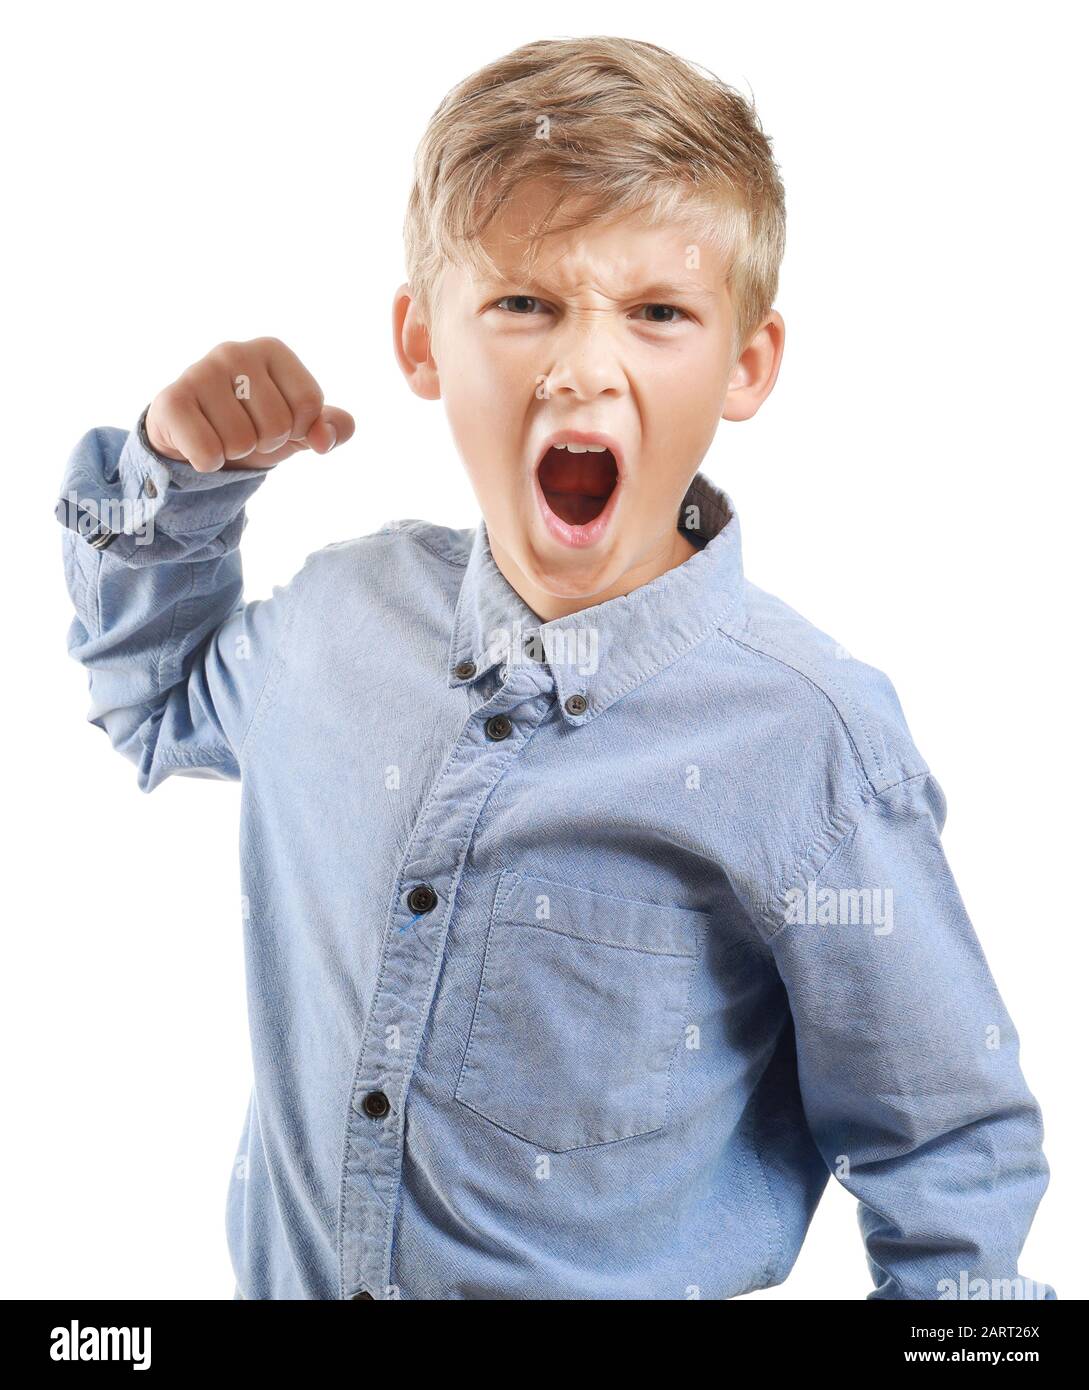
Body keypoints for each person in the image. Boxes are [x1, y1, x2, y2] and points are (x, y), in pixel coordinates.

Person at [55, 35, 1054, 1301]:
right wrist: (167, 475)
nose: (584, 365)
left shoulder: (809, 742)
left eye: (658, 313)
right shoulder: (332, 624)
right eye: (523, 302)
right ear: (422, 343)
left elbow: (948, 1158)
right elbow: (145, 700)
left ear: (745, 362)